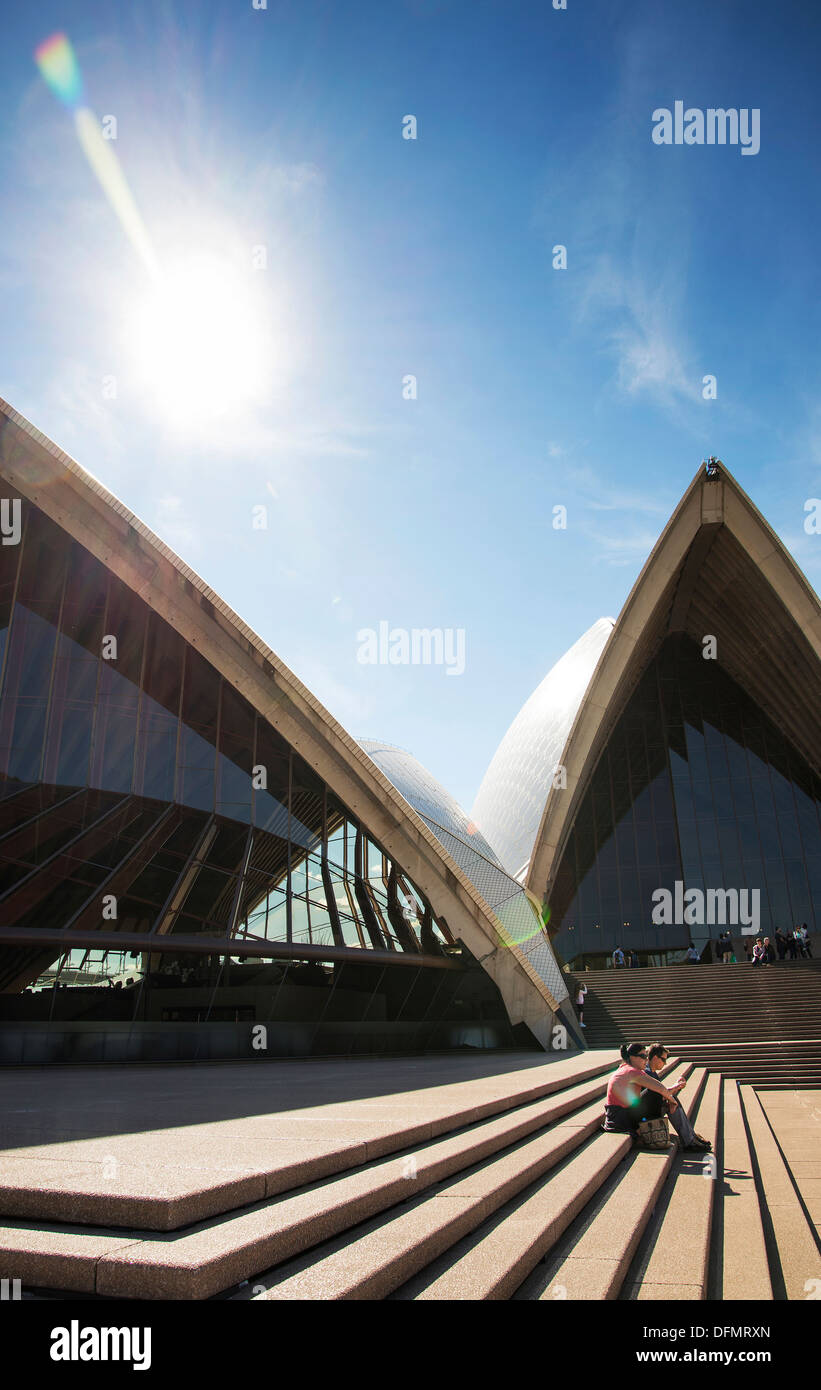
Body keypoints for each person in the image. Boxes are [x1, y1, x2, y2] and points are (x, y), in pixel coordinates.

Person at [601, 1043, 680, 1138]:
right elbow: (660, 1088)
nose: (646, 1059)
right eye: (643, 1056)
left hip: (617, 1117)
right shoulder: (632, 1071)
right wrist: (673, 1101)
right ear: (632, 1057)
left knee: (658, 1095)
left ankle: (687, 1137)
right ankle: (653, 1133)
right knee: (655, 1094)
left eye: (646, 1056)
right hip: (621, 1120)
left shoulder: (625, 1068)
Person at [645, 1044, 711, 1152]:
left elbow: (659, 1094)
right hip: (644, 1113)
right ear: (655, 1058)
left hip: (649, 1108)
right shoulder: (647, 1072)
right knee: (672, 1101)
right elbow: (657, 1095)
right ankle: (689, 1140)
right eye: (663, 1059)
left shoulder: (651, 1072)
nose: (665, 1063)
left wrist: (675, 1089)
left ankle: (691, 1137)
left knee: (673, 1100)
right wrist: (675, 1088)